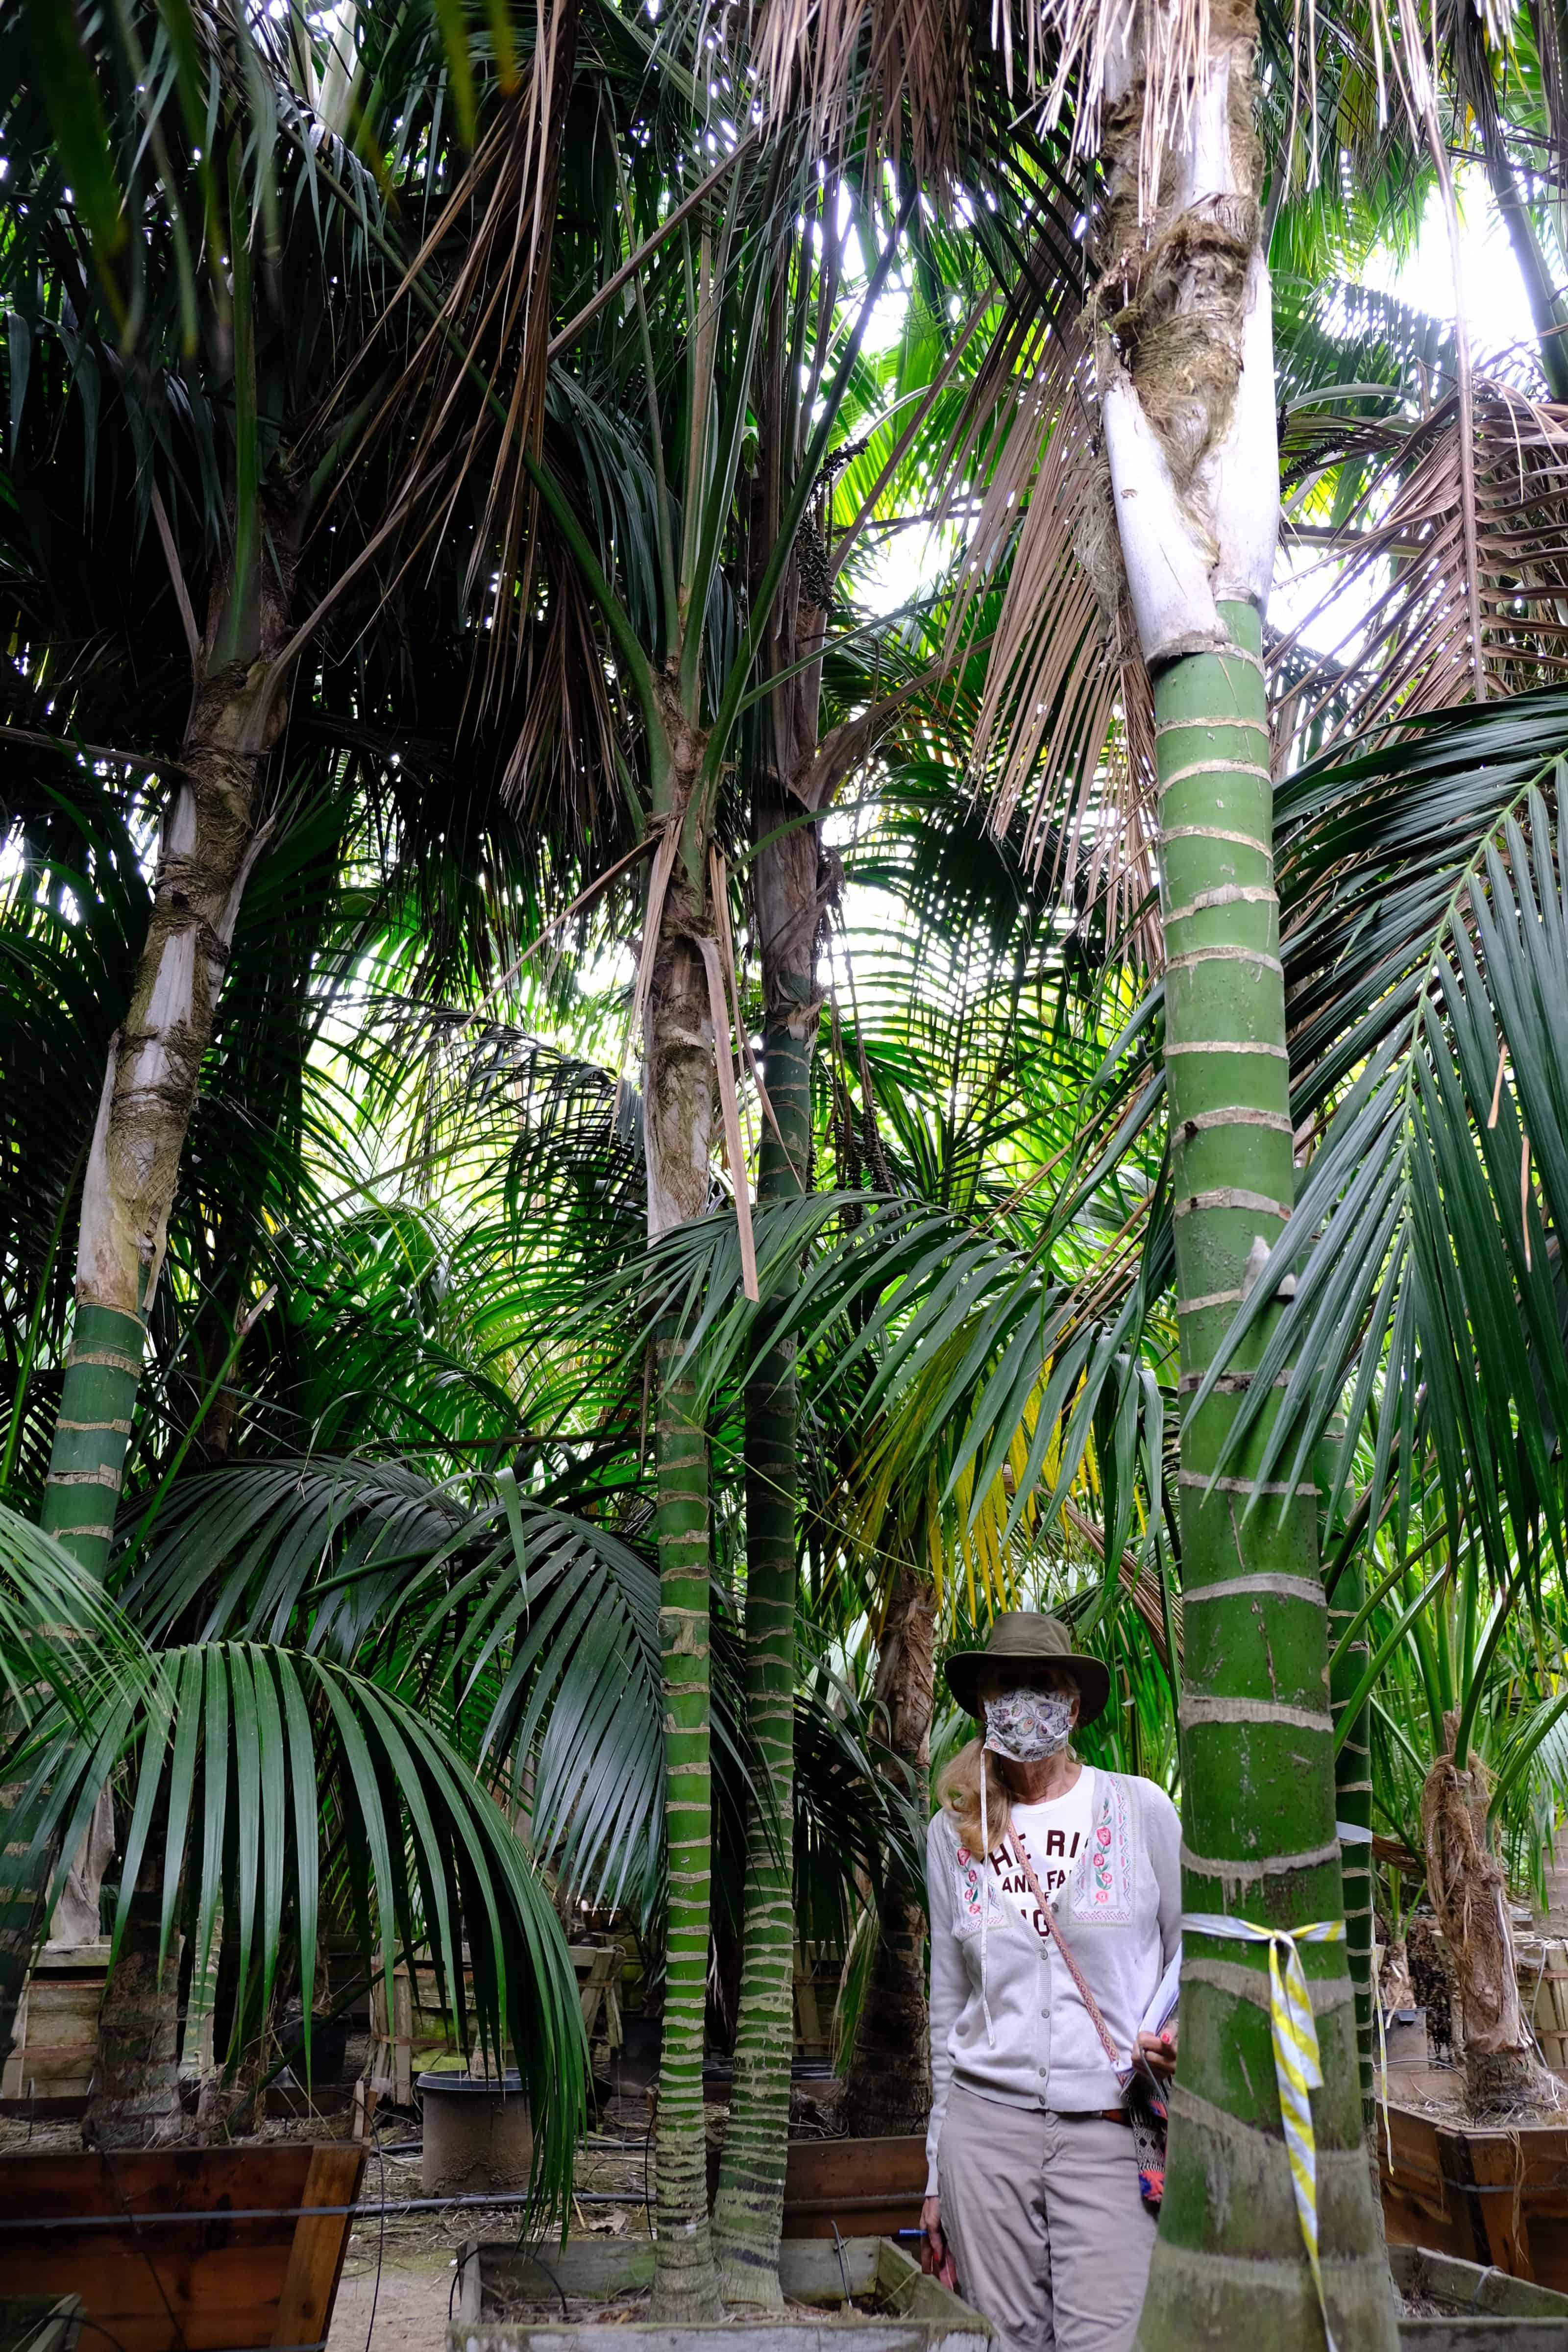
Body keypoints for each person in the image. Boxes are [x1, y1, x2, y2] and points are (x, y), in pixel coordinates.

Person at [921, 1612, 1181, 2352]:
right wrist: (938, 2167)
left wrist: (1178, 2034)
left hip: (1106, 2130)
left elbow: (1190, 1954)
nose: (1025, 1703)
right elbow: (948, 2005)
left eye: (1044, 1685)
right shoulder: (954, 1830)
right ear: (983, 1705)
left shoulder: (1139, 1810)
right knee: (1008, 2344)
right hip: (985, 2136)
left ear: (1073, 1704)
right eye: (1008, 1686)